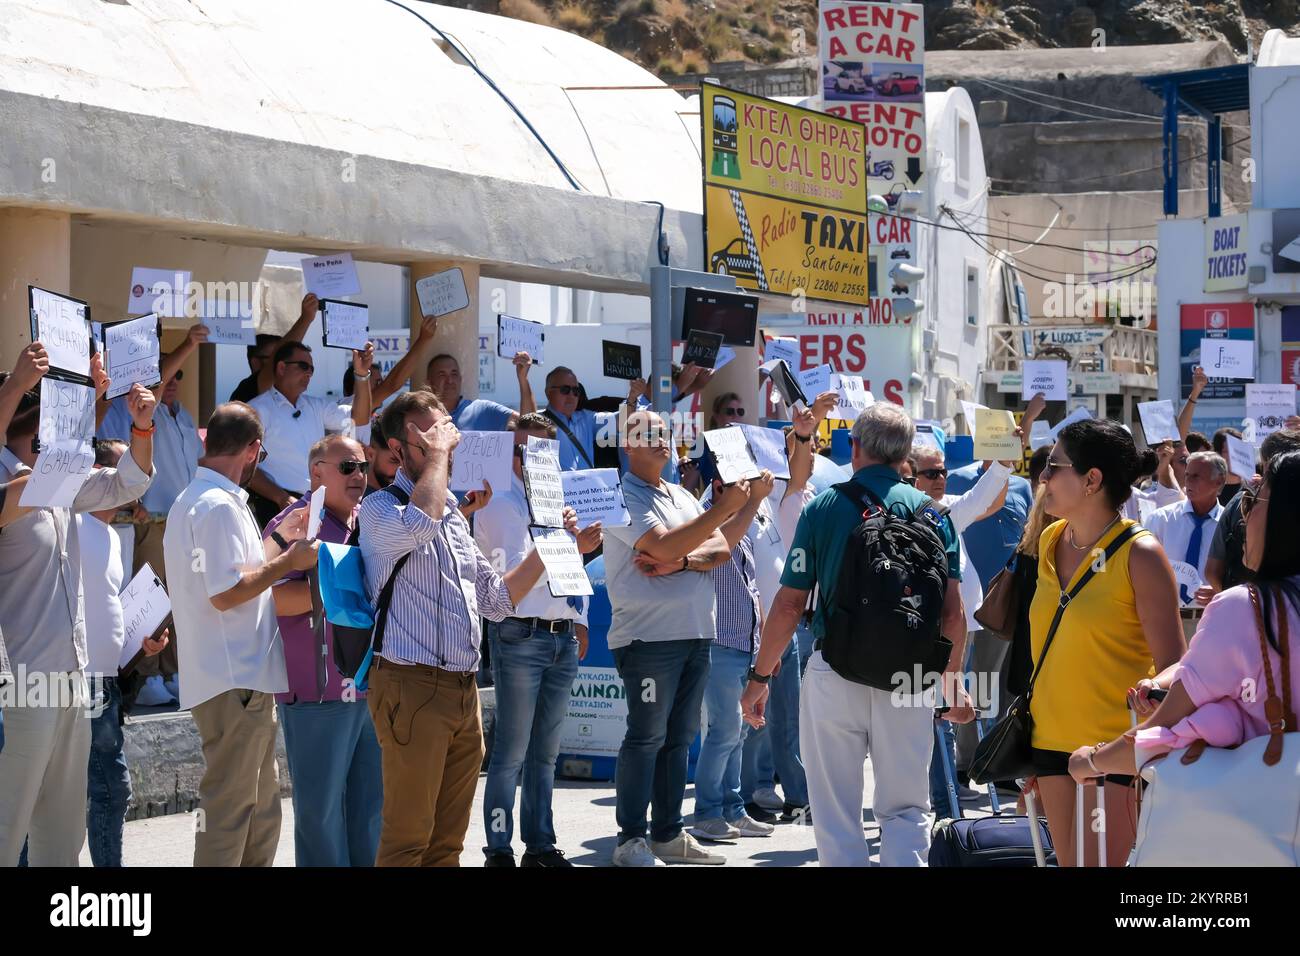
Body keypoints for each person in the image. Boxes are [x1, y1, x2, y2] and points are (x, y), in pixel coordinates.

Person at [741, 403, 973, 867]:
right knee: (907, 810)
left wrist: (760, 678)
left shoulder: (825, 506)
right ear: (905, 456)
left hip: (836, 670)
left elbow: (789, 605)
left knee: (836, 813)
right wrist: (952, 684)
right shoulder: (934, 514)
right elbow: (953, 615)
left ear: (855, 448)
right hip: (911, 677)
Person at [359, 390, 579, 866]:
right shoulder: (379, 509)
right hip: (411, 685)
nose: (448, 448)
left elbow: (497, 601)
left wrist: (550, 548)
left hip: (463, 692)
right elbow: (419, 523)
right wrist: (438, 458)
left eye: (448, 436)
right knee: (406, 842)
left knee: (446, 846)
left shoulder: (455, 517)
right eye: (432, 440)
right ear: (398, 450)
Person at [1070, 452, 1300, 815]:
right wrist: (1167, 681)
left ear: (1286, 517)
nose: (1243, 514)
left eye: (1254, 501)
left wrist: (1091, 760)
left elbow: (1161, 729)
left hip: (1267, 816)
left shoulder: (1245, 609)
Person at [0, 347, 156, 868]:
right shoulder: (16, 482)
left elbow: (127, 483)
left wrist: (140, 429)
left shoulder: (52, 478)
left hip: (74, 679)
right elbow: (35, 483)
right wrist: (20, 383)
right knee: (6, 829)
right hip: (21, 684)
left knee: (61, 839)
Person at [164, 402, 320, 867]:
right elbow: (227, 593)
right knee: (231, 811)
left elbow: (239, 573)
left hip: (238, 677)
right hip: (236, 679)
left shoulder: (205, 499)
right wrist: (289, 561)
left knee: (257, 812)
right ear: (253, 449)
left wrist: (277, 542)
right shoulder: (215, 505)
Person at [1026, 418, 1185, 866]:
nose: (1042, 476)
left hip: (1108, 753)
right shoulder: (1050, 538)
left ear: (1092, 479)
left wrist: (1152, 694)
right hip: (1049, 743)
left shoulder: (1142, 553)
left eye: (1053, 466)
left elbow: (1177, 665)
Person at [603, 409, 748, 867]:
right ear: (627, 445)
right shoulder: (621, 494)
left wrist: (682, 560)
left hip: (696, 632)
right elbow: (664, 544)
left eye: (664, 431)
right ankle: (630, 840)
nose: (660, 438)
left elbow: (721, 547)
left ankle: (667, 834)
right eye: (646, 433)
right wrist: (720, 513)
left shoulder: (680, 495)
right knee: (646, 737)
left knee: (679, 738)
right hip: (648, 639)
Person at [472, 413, 603, 867]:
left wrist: (580, 614)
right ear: (509, 452)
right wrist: (557, 539)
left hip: (561, 633)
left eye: (541, 450)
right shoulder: (492, 502)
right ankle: (499, 848)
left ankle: (541, 846)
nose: (531, 459)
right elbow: (499, 577)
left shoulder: (564, 495)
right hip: (518, 632)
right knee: (510, 750)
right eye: (522, 450)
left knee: (546, 752)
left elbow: (573, 567)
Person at [264, 434, 383, 867]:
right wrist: (340, 593)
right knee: (321, 815)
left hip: (367, 687)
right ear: (317, 472)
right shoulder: (294, 524)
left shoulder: (368, 519)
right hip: (317, 693)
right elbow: (269, 598)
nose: (358, 476)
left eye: (362, 468)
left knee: (369, 812)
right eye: (347, 467)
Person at [78, 439, 170, 867]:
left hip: (106, 684)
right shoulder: (69, 527)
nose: (131, 485)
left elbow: (111, 612)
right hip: (71, 684)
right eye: (122, 471)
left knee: (110, 791)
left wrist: (141, 647)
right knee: (94, 790)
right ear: (96, 474)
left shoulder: (115, 536)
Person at [909, 444, 1013, 816]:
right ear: (911, 473)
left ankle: (944, 796)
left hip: (961, 627)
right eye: (931, 473)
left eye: (943, 472)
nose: (940, 479)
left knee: (947, 708)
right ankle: (939, 800)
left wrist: (1002, 464)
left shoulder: (946, 507)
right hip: (926, 630)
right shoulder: (910, 511)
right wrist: (1000, 467)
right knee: (933, 710)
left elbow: (987, 500)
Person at [738, 405, 826, 823]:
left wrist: (805, 434)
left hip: (783, 625)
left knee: (787, 715)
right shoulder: (730, 498)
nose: (773, 466)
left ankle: (797, 794)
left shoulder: (776, 496)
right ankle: (751, 791)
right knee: (753, 717)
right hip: (752, 629)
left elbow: (800, 477)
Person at [690, 464, 778, 842]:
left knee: (737, 731)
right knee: (725, 730)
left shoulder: (737, 517)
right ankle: (709, 812)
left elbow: (752, 590)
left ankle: (731, 808)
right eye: (742, 483)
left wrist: (761, 661)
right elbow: (720, 550)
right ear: (720, 484)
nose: (750, 488)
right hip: (719, 643)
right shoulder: (703, 517)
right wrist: (751, 501)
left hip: (743, 644)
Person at [246, 340, 373, 526]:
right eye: (303, 366)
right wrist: (281, 498)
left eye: (312, 369)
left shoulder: (316, 405)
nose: (309, 373)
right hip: (274, 505)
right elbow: (246, 466)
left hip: (317, 504)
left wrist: (362, 375)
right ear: (281, 367)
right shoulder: (257, 410)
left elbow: (359, 418)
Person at [1204, 428, 1300, 599]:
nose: (1248, 513)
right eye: (1250, 504)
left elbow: (1213, 571)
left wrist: (1240, 603)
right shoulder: (1241, 500)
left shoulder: (1240, 499)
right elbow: (1212, 571)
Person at [1142, 451, 1227, 606]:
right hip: (1167, 616)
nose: (1188, 481)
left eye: (1196, 476)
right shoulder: (1161, 519)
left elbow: (1242, 575)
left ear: (1219, 481)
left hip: (1212, 617)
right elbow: (1141, 569)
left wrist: (1223, 590)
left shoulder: (1230, 525)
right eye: (1187, 475)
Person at [532, 365, 649, 472]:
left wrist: (632, 397)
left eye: (576, 391)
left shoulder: (587, 419)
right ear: (548, 392)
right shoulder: (536, 423)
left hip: (586, 492)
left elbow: (622, 421)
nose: (571, 396)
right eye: (565, 390)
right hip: (555, 492)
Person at [229, 294, 322, 403]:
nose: (281, 365)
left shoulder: (294, 401)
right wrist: (306, 318)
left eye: (310, 368)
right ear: (256, 362)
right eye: (275, 357)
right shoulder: (246, 390)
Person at [426, 351, 535, 432]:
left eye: (454, 374)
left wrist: (523, 379)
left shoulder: (481, 410)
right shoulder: (420, 414)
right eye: (442, 375)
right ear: (429, 383)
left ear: (460, 379)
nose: (449, 380)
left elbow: (530, 425)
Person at [1212, 427, 1245, 505]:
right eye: (1231, 451)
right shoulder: (1209, 493)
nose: (1237, 456)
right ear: (1218, 455)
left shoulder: (1253, 489)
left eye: (1240, 450)